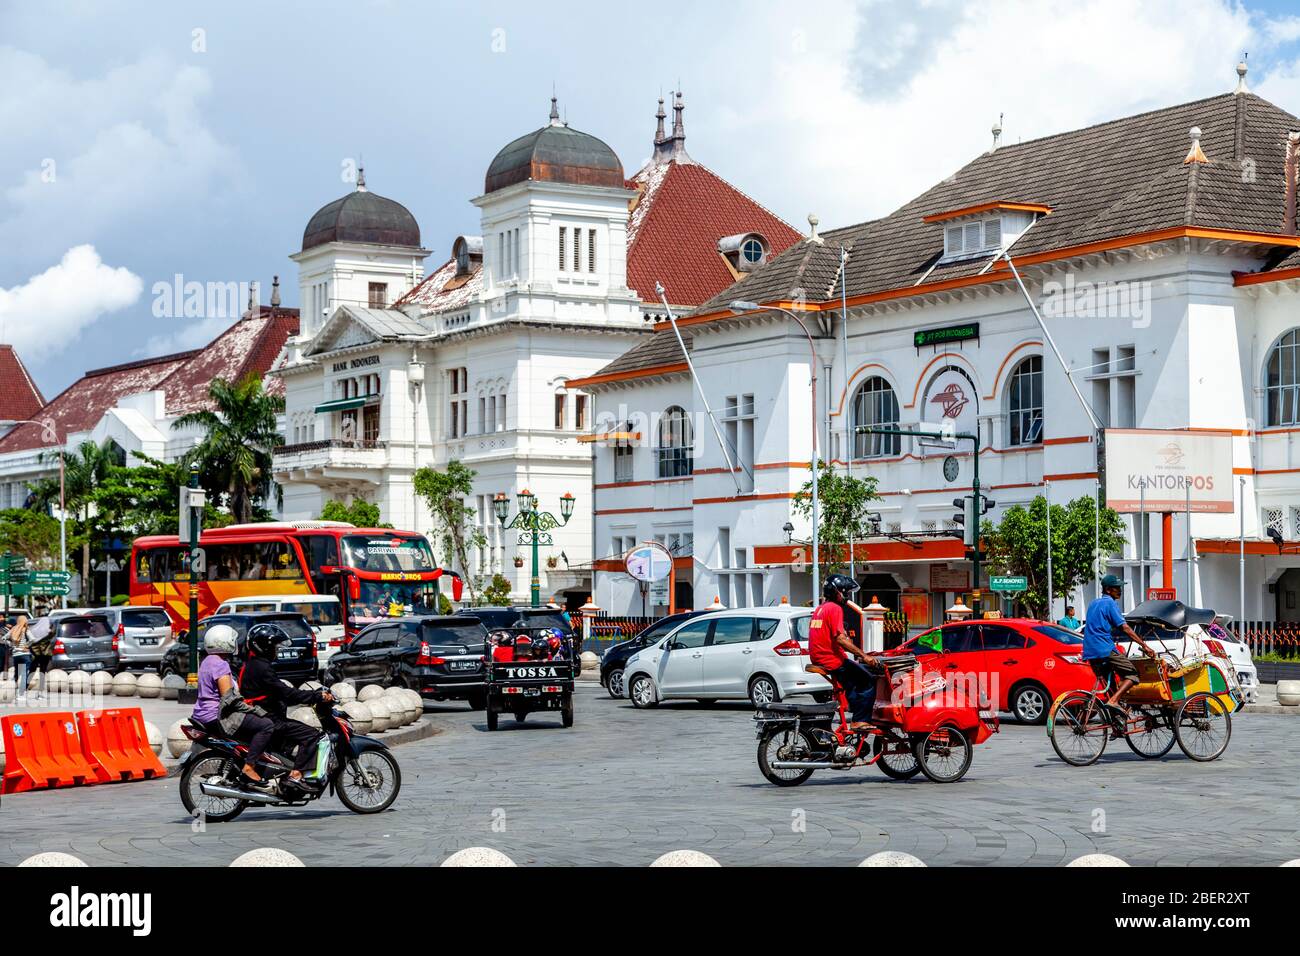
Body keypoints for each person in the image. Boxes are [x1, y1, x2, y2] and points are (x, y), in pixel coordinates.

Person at [237, 623, 333, 788]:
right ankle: (296, 776)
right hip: (270, 718)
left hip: (262, 713)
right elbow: (287, 694)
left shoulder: (252, 664)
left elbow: (280, 692)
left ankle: (284, 769)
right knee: (312, 735)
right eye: (275, 647)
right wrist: (317, 696)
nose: (277, 651)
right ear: (265, 648)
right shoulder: (263, 669)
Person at [194, 623, 278, 795]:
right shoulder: (220, 664)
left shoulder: (206, 661)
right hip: (218, 716)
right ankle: (249, 768)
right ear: (224, 643)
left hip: (202, 714)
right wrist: (254, 710)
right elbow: (228, 698)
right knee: (266, 725)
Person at [808, 574, 881, 731]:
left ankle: (851, 709)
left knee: (855, 678)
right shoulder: (835, 609)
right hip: (831, 660)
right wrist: (864, 656)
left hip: (819, 657)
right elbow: (840, 640)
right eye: (845, 592)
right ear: (837, 592)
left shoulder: (820, 608)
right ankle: (860, 720)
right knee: (868, 680)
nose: (847, 596)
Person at [1083, 574, 1157, 715]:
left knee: (1110, 687)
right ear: (1108, 590)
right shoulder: (1110, 603)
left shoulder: (1093, 603)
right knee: (1133, 674)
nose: (1120, 591)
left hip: (1090, 651)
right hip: (1104, 648)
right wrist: (1145, 646)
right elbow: (1125, 628)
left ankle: (1116, 725)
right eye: (1116, 588)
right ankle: (1115, 700)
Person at [7, 613, 33, 704]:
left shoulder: (13, 629)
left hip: (16, 655)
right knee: (25, 674)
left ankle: (13, 693)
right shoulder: (26, 630)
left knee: (17, 674)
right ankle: (21, 694)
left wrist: (11, 645)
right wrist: (26, 645)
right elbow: (33, 639)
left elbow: (3, 638)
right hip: (25, 655)